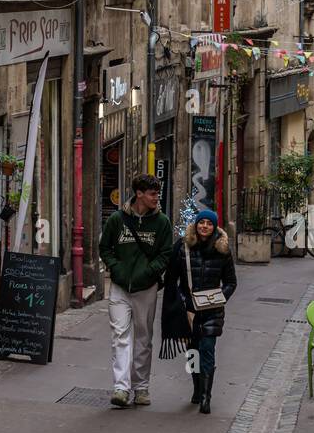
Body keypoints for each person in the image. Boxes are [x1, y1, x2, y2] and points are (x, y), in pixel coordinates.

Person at [99, 174, 173, 408]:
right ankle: (121, 388)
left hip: (146, 288)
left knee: (143, 338)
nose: (156, 198)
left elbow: (166, 253)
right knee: (119, 336)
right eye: (152, 194)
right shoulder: (117, 220)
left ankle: (141, 387)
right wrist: (116, 269)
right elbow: (105, 247)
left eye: (157, 194)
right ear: (139, 194)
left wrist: (150, 272)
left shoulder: (162, 222)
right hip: (120, 287)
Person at [160, 209, 236, 414]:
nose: (204, 226)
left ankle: (205, 397)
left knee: (208, 349)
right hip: (189, 309)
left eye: (209, 223)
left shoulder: (223, 250)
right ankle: (196, 388)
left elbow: (230, 282)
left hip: (213, 309)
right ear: (196, 225)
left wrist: (220, 297)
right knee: (192, 352)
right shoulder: (184, 247)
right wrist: (181, 301)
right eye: (201, 222)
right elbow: (172, 278)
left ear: (214, 227)